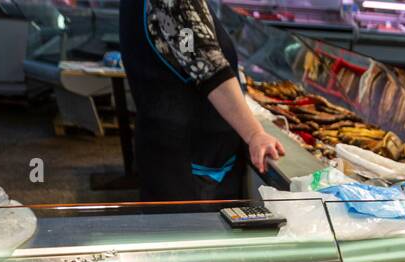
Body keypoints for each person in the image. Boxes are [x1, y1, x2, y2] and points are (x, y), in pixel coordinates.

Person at [116, 0, 282, 201]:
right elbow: (208, 69)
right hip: (190, 160)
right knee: (190, 229)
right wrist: (255, 134)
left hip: (170, 147)